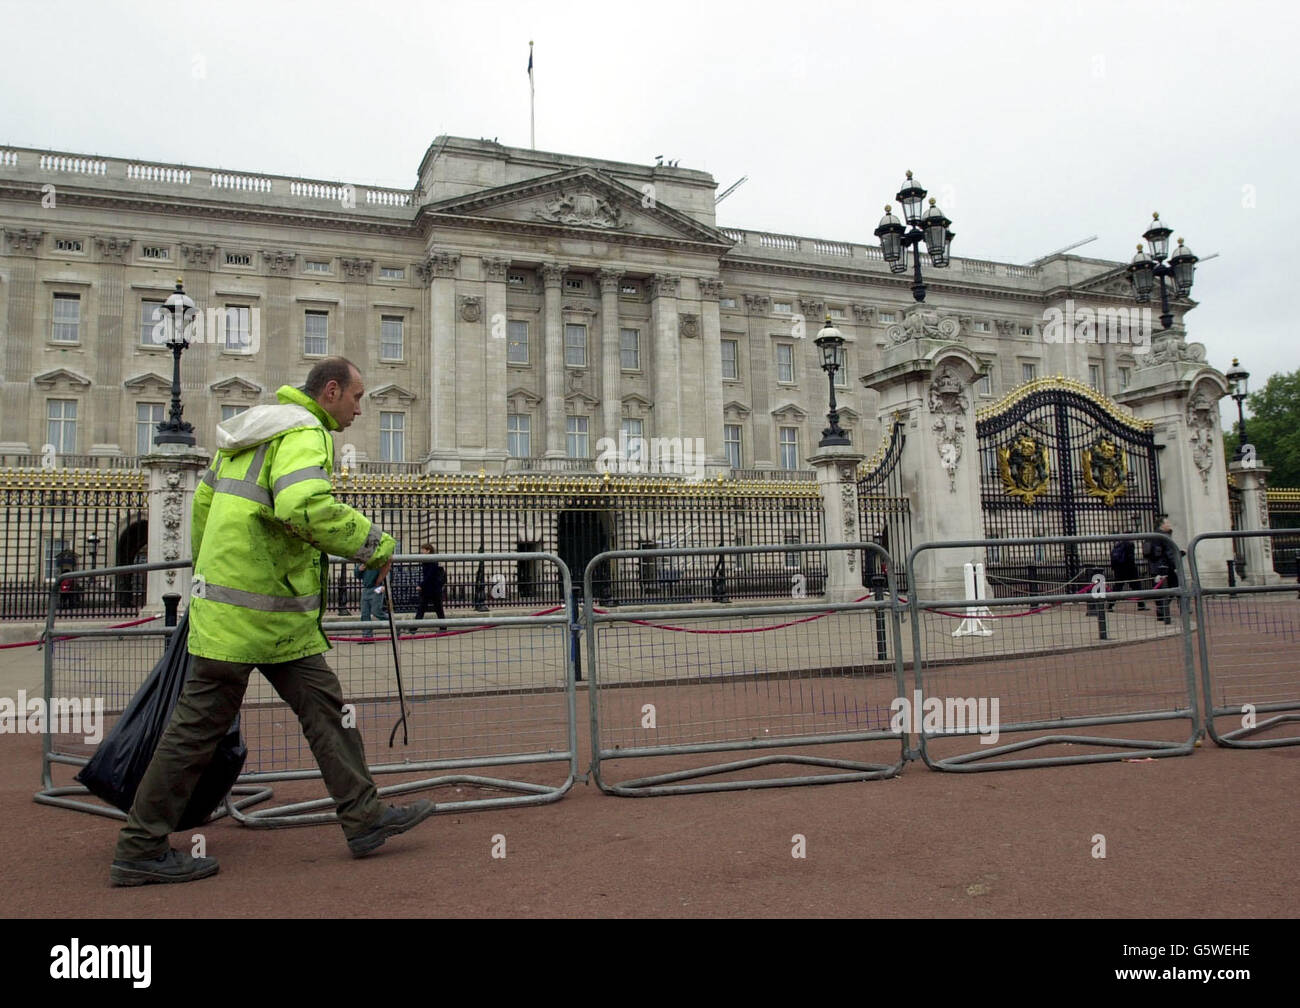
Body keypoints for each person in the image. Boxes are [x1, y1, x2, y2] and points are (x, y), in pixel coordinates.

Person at [109, 357, 436, 886]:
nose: (359, 409)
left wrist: (210, 580)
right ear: (330, 392)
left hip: (254, 614)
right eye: (357, 397)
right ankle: (139, 846)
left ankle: (363, 815)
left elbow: (204, 511)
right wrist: (375, 544)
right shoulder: (306, 432)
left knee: (326, 710)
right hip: (259, 613)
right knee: (195, 732)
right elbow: (305, 507)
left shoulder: (252, 432)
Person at [1145, 518, 1181, 625]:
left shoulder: (1152, 536)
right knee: (1175, 585)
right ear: (1162, 525)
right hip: (1165, 567)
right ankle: (1163, 608)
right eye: (1167, 523)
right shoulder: (1164, 536)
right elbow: (1169, 552)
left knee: (1159, 590)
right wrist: (1176, 565)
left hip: (1154, 567)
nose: (1169, 524)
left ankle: (1161, 611)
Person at [1108, 531, 1146, 611]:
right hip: (1129, 569)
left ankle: (1110, 605)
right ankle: (1141, 605)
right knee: (1137, 587)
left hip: (1119, 569)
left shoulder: (1118, 545)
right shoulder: (1130, 544)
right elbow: (1130, 558)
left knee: (1117, 588)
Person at [414, 543, 446, 622]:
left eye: (423, 550)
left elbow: (429, 576)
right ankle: (413, 627)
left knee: (437, 609)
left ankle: (443, 627)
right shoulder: (427, 560)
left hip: (433, 589)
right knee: (422, 609)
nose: (421, 551)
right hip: (430, 588)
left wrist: (421, 585)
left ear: (428, 551)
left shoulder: (432, 561)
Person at [356, 561, 383, 639]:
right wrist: (359, 570)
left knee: (377, 612)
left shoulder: (378, 559)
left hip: (376, 587)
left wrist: (383, 585)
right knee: (364, 613)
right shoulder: (362, 561)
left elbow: (386, 570)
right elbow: (357, 575)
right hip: (366, 588)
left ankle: (395, 625)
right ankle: (367, 636)